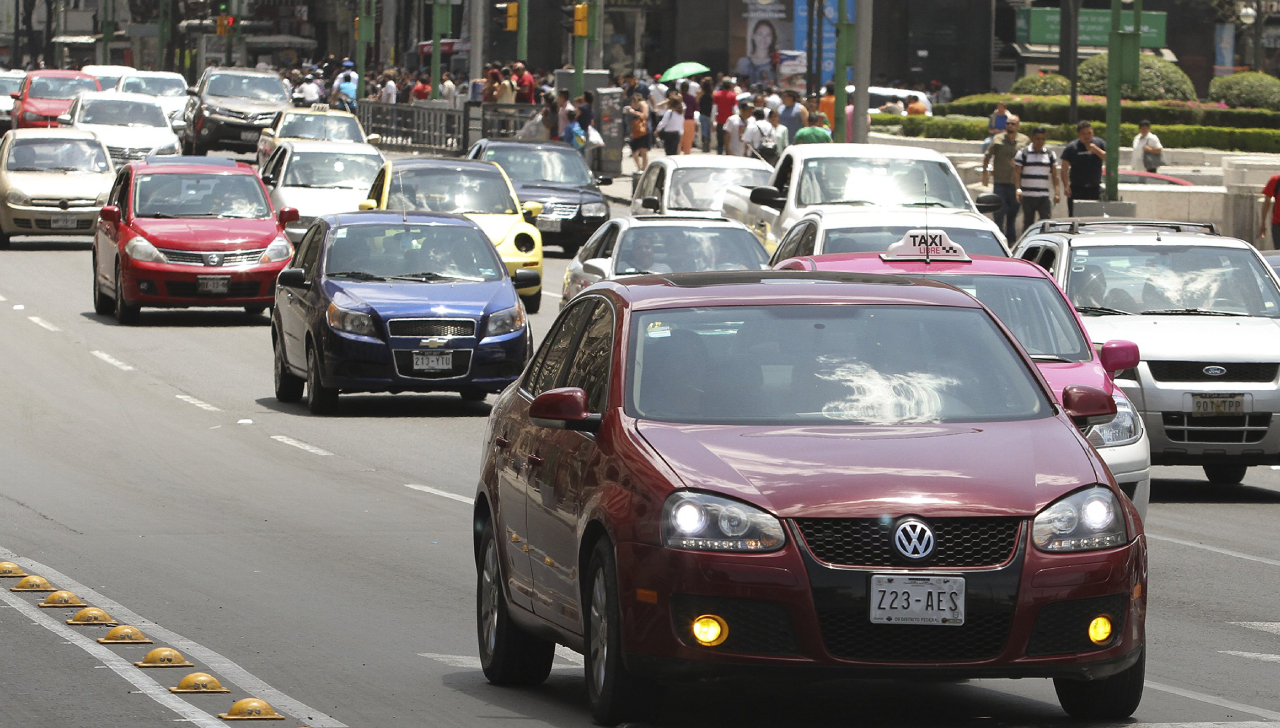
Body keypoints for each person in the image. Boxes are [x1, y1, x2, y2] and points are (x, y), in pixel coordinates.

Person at [982, 114, 1027, 242]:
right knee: (999, 212)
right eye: (1008, 123)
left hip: (1016, 183)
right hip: (1000, 181)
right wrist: (985, 175)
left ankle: (1011, 240)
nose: (1010, 126)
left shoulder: (1025, 140)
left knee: (1013, 213)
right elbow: (987, 157)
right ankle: (998, 238)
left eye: (1013, 124)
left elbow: (1028, 158)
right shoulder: (998, 139)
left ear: (1018, 126)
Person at [1014, 126, 1062, 233]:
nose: (1040, 142)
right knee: (1028, 224)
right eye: (1037, 139)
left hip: (1043, 197)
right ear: (1032, 139)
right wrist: (1018, 189)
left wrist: (1057, 193)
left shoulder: (1050, 155)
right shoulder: (1023, 153)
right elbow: (1017, 173)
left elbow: (1055, 175)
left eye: (1042, 139)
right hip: (1028, 196)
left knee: (1046, 224)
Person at [1061, 119, 1106, 216]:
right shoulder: (1072, 147)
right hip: (1077, 189)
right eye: (1083, 134)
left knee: (1094, 218)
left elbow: (1108, 158)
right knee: (1075, 217)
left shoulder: (1100, 144)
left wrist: (1096, 150)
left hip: (1094, 189)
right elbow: (1064, 168)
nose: (1087, 136)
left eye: (1089, 133)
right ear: (1078, 134)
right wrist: (1066, 186)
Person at [735, 19, 778, 85]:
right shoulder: (743, 62)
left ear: (772, 38)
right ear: (754, 36)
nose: (764, 38)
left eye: (768, 35)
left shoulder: (776, 63)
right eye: (760, 34)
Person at [624, 93, 650, 171]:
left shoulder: (642, 104)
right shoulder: (636, 107)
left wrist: (633, 112)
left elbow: (645, 116)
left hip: (643, 131)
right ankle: (639, 168)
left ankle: (643, 169)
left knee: (643, 151)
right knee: (634, 151)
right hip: (635, 132)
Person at [712, 79, 738, 154]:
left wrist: (713, 121)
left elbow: (714, 110)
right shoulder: (733, 95)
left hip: (720, 122)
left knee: (720, 143)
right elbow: (735, 110)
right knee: (728, 143)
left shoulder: (717, 95)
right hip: (730, 123)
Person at [1259, 173, 1280, 246]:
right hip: (1277, 224)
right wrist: (1263, 223)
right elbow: (1267, 202)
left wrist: (1263, 223)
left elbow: (1267, 202)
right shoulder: (1276, 180)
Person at [679, 81, 698, 154]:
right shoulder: (691, 98)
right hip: (689, 121)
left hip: (679, 121)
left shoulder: (677, 98)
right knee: (688, 144)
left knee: (678, 142)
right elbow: (696, 108)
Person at [698, 77, 714, 152]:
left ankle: (704, 144)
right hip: (710, 113)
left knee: (704, 129)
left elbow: (697, 100)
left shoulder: (701, 92)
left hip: (702, 112)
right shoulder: (713, 93)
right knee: (709, 130)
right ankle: (708, 145)